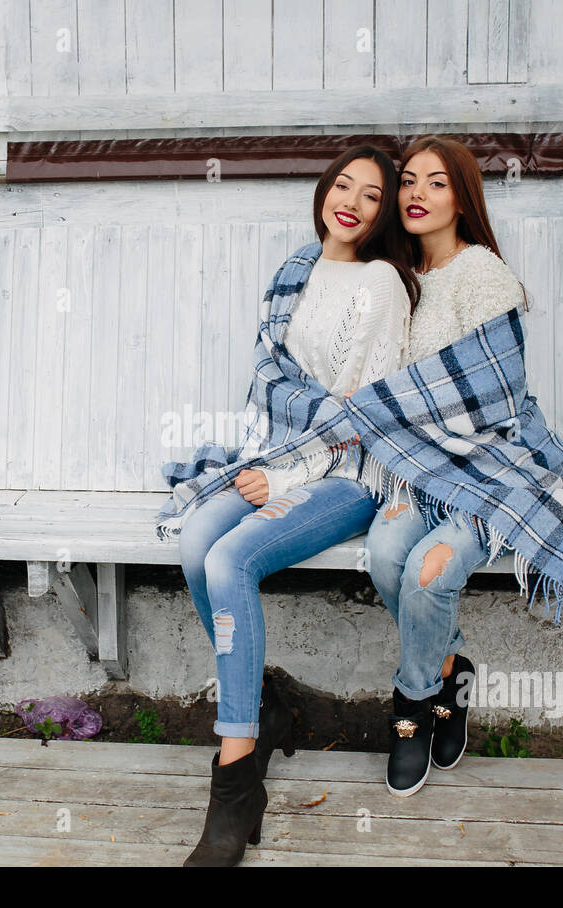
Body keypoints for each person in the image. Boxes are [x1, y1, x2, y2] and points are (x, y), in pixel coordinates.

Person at [165, 144, 418, 866]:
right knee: (196, 543)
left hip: (349, 477)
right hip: (275, 457)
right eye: (343, 185)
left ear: (383, 215)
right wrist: (265, 467)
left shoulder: (380, 284)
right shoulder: (295, 272)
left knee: (230, 559)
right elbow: (274, 386)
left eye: (371, 195)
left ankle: (235, 781)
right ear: (324, 190)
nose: (351, 203)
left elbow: (363, 417)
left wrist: (279, 483)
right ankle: (263, 707)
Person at [365, 135, 527, 797]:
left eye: (436, 183)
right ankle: (450, 669)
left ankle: (411, 709)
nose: (416, 194)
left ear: (462, 199)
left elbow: (500, 390)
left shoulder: (481, 273)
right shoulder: (398, 277)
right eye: (408, 181)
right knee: (385, 558)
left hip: (483, 471)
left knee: (428, 571)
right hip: (412, 471)